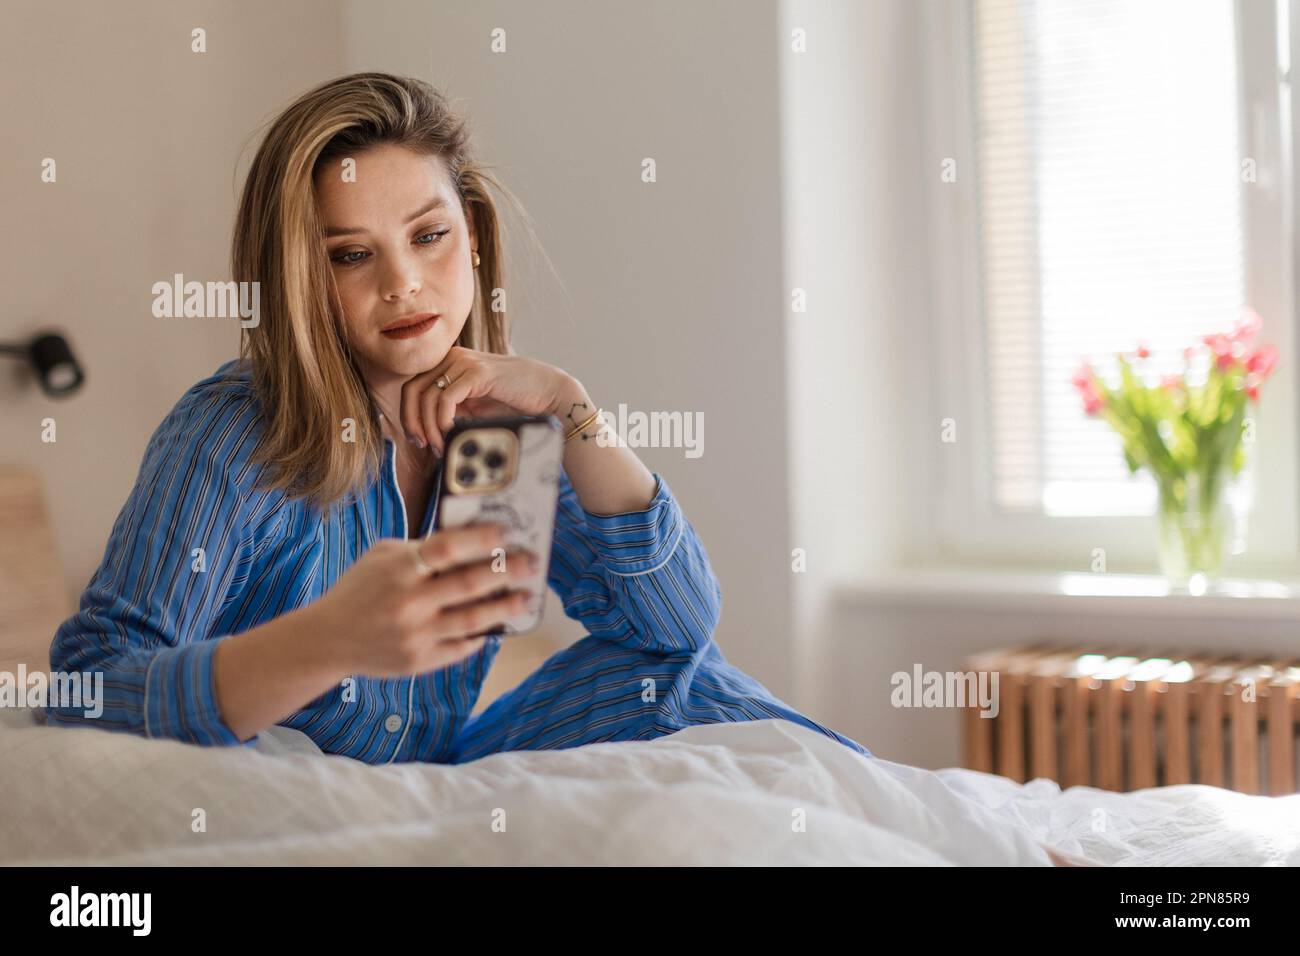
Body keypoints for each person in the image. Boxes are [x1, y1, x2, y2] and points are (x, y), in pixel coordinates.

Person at [47, 72, 872, 765]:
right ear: (299, 277)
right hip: (274, 787)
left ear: (472, 235)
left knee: (684, 682)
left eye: (429, 235)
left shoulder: (499, 429)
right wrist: (328, 641)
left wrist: (571, 408)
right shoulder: (232, 433)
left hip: (433, 775)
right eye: (350, 255)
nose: (402, 283)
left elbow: (677, 627)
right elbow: (87, 690)